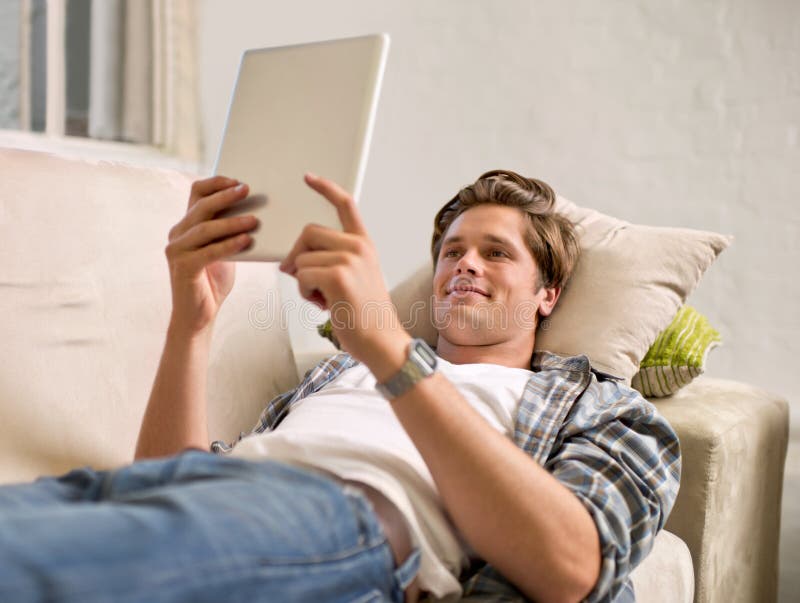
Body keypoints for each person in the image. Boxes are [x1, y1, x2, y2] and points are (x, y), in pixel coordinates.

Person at [0, 170, 680, 603]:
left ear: (547, 294)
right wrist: (192, 324)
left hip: (336, 526)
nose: (464, 265)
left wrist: (387, 345)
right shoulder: (339, 368)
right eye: (452, 252)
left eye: (496, 252)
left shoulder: (596, 405)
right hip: (180, 496)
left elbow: (571, 569)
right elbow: (169, 478)